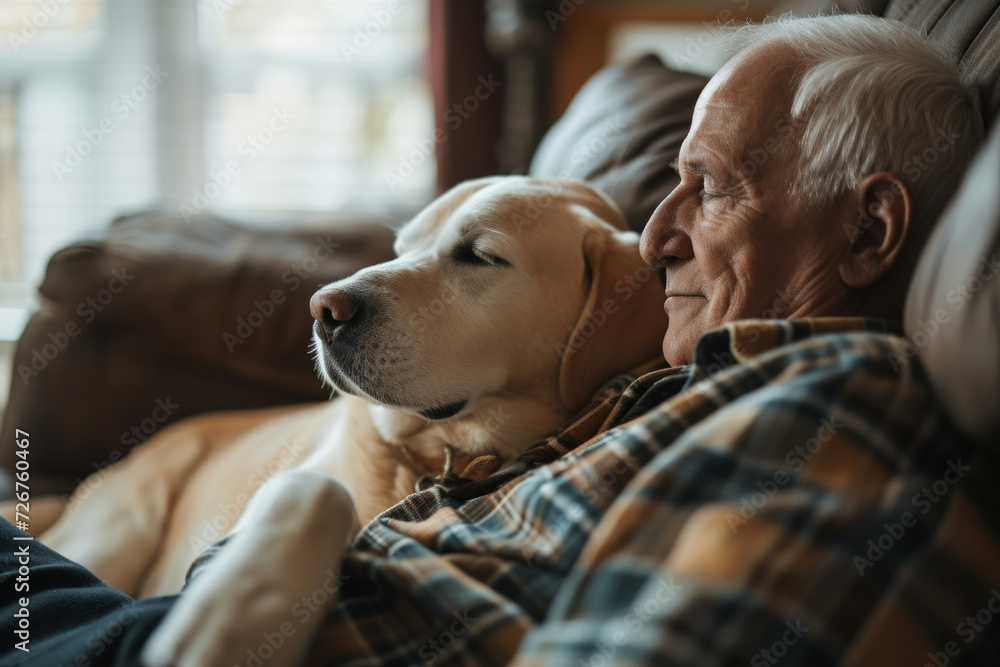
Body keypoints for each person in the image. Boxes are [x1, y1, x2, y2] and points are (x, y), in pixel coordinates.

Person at [1, 13, 994, 667]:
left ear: (866, 231)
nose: (655, 234)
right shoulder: (658, 386)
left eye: (714, 184)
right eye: (669, 184)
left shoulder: (834, 403)